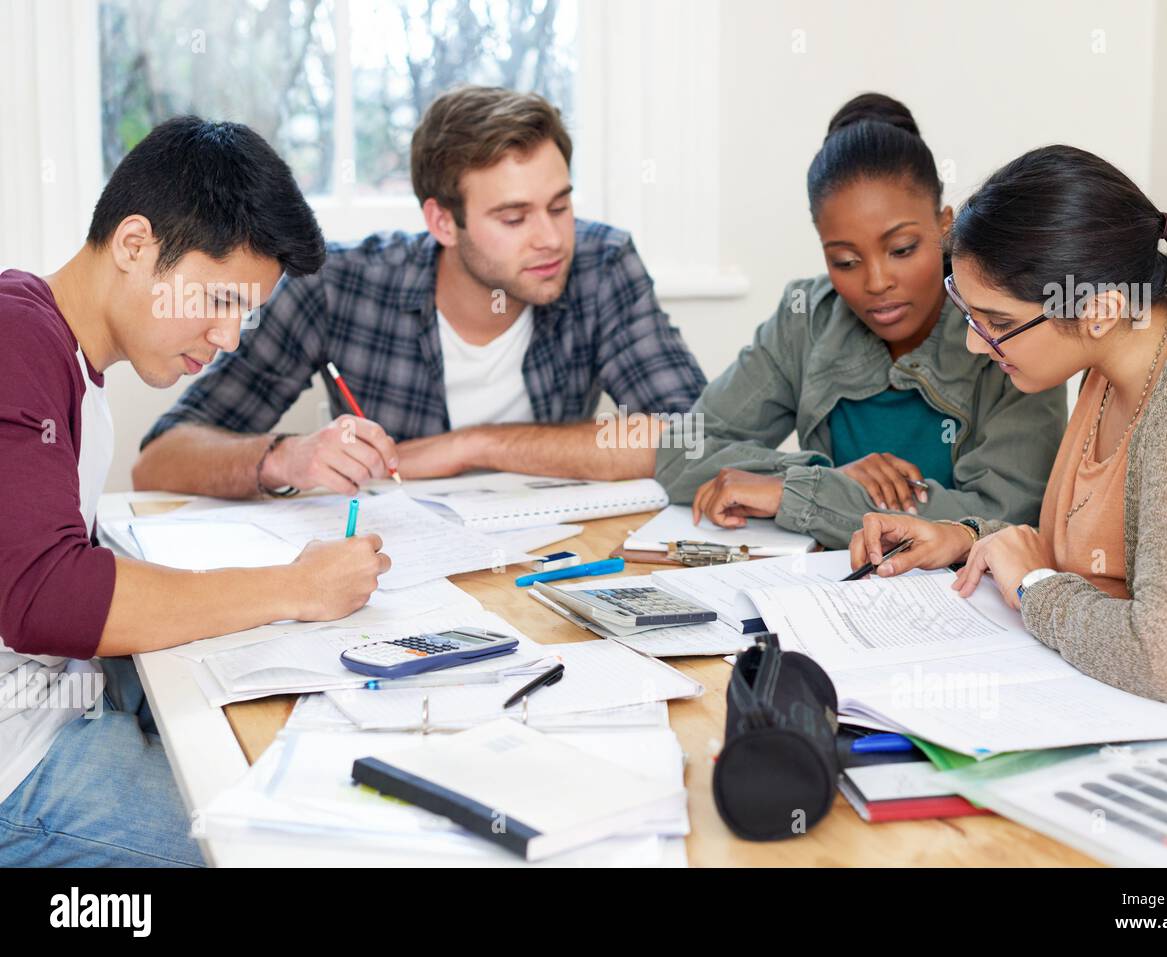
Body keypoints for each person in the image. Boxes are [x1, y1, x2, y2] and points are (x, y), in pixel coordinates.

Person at [0, 117, 389, 866]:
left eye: (245, 313)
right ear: (134, 244)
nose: (230, 338)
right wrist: (292, 586)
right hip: (20, 761)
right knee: (259, 847)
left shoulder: (68, 356)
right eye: (219, 301)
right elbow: (44, 597)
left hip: (60, 700)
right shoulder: (17, 340)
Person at [849, 145, 1167, 708]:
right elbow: (1095, 566)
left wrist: (1034, 588)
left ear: (1102, 310)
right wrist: (969, 540)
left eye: (998, 322)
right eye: (967, 313)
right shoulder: (1109, 366)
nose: (973, 342)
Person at [132, 86, 707, 498]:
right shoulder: (341, 287)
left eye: (560, 206)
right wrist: (286, 457)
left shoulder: (602, 264)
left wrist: (472, 446)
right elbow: (161, 459)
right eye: (514, 218)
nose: (551, 238)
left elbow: (694, 436)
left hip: (553, 560)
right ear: (442, 223)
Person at [656, 94, 1065, 547]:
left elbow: (1003, 517)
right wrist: (824, 475)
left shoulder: (1006, 325)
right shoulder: (808, 318)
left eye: (903, 249)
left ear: (945, 226)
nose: (876, 282)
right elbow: (680, 453)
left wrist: (804, 493)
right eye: (845, 260)